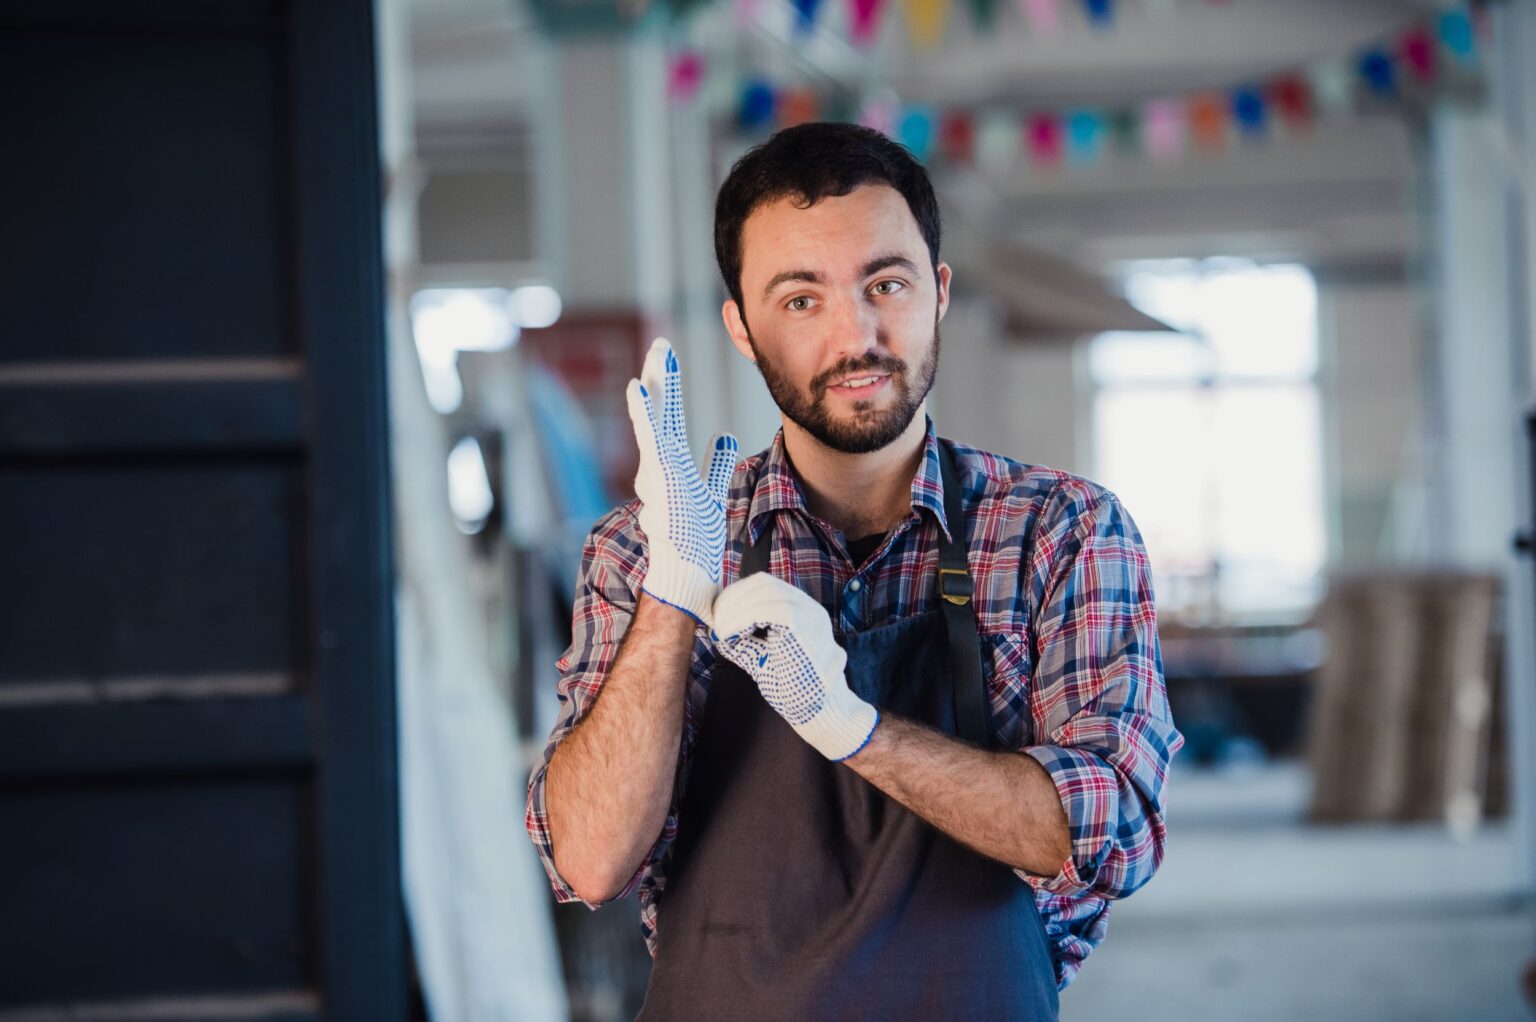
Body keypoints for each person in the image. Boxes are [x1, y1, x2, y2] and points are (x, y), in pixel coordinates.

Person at [525, 121, 1184, 1019]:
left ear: (939, 292)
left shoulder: (1058, 532)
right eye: (801, 300)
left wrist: (852, 727)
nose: (858, 334)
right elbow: (592, 859)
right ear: (743, 329)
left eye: (887, 283)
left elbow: (1113, 835)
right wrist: (677, 590)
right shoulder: (645, 549)